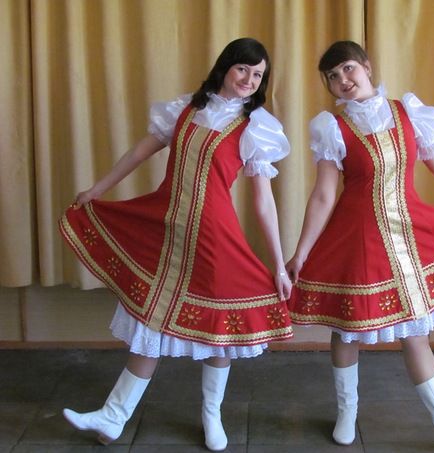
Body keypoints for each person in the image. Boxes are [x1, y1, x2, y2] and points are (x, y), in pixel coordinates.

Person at [59, 37, 293, 452]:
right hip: (167, 230)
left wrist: (277, 265)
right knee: (149, 324)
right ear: (225, 66)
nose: (249, 79)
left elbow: (264, 202)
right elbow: (138, 153)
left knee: (220, 329)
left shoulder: (255, 127)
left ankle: (211, 415)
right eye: (243, 68)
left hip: (216, 240)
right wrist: (98, 189)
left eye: (258, 74)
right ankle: (113, 417)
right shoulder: (185, 109)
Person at [286, 41, 434, 449]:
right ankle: (347, 412)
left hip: (408, 232)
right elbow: (323, 195)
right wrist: (301, 251)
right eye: (333, 76)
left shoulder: (407, 112)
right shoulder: (332, 127)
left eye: (348, 68)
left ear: (367, 67)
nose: (343, 80)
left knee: (416, 331)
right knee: (348, 329)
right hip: (357, 238)